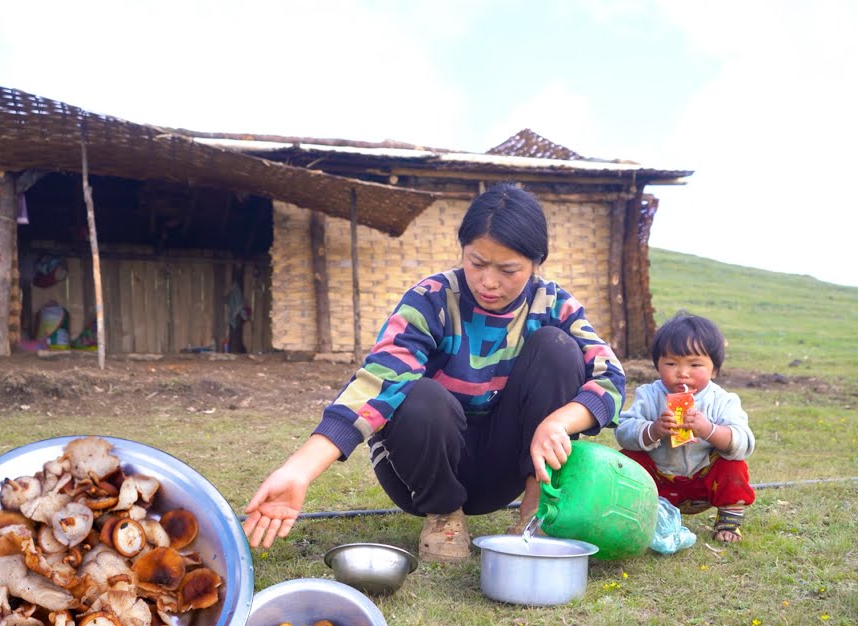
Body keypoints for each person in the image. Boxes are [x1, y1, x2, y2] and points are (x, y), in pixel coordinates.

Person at [242, 184, 626, 562]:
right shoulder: (432, 299)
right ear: (462, 251)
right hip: (418, 471)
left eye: (508, 270)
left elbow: (611, 377)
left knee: (558, 349)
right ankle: (444, 517)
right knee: (417, 392)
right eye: (476, 263)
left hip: (504, 467)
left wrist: (558, 422)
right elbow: (378, 381)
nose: (489, 282)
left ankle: (535, 508)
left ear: (536, 263)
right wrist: (299, 471)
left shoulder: (553, 304)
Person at [614, 312, 755, 542]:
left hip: (704, 481)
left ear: (714, 369)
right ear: (657, 365)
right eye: (671, 363)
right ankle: (636, 514)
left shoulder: (722, 400)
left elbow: (744, 441)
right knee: (626, 459)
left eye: (695, 364)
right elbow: (623, 431)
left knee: (733, 465)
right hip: (657, 483)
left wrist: (708, 429)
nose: (682, 372)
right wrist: (654, 430)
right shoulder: (649, 395)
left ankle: (729, 519)